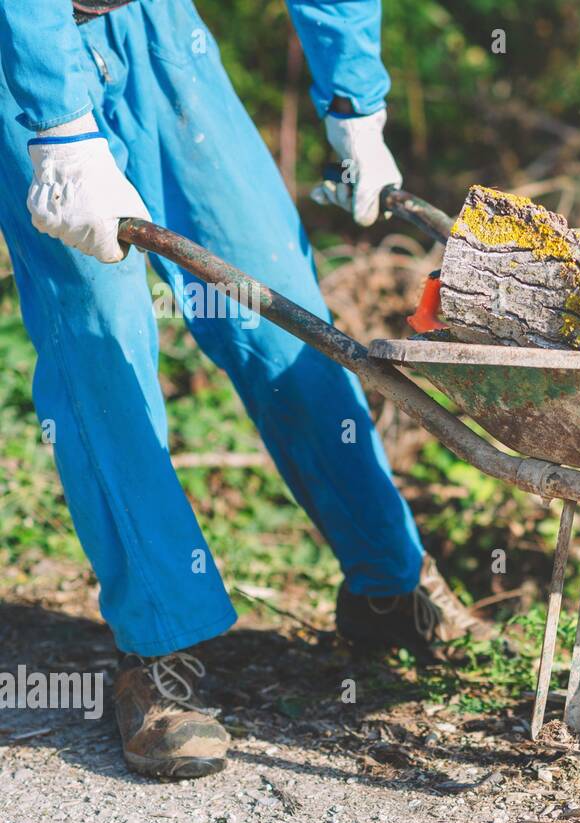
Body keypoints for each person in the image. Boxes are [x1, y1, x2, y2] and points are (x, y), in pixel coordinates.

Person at [0, 0, 484, 780]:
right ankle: (158, 648)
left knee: (271, 296)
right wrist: (58, 124)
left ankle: (388, 583)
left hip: (159, 33)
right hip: (23, 42)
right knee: (98, 333)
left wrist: (355, 98)